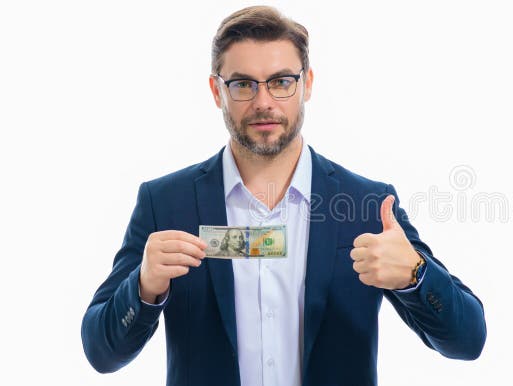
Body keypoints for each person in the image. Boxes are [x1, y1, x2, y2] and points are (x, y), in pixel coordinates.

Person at [81, 5, 486, 386]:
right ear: (216, 90)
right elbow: (101, 351)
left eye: (280, 82)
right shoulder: (165, 203)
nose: (263, 102)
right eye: (242, 84)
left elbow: (468, 341)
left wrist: (415, 274)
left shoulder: (368, 207)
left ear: (306, 84)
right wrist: (144, 285)